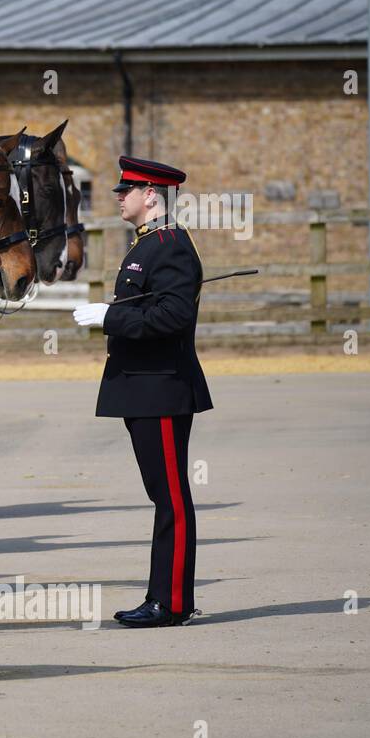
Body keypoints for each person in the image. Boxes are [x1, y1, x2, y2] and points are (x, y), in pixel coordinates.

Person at [73, 155, 213, 628]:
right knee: (163, 497)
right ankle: (163, 596)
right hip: (144, 389)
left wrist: (110, 317)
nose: (118, 196)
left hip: (163, 390)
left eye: (126, 189)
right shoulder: (148, 245)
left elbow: (174, 318)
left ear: (151, 195)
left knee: (171, 499)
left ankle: (172, 604)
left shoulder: (169, 245)